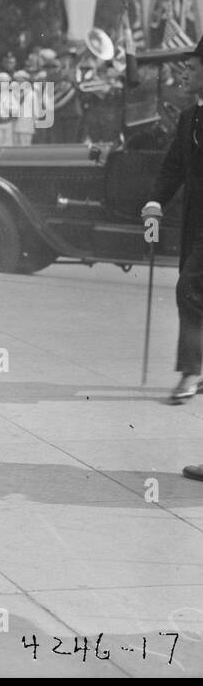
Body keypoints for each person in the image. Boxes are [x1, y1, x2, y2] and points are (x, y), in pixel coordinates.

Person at [143, 36, 203, 411]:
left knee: (188, 288)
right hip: (194, 223)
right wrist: (154, 200)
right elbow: (173, 169)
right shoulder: (188, 117)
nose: (185, 73)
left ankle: (191, 371)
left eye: (193, 67)